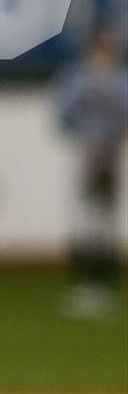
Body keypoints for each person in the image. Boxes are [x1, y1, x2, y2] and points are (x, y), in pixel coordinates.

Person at [56, 29, 127, 319]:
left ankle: (102, 281)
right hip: (83, 156)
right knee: (84, 218)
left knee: (106, 220)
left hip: (111, 157)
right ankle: (84, 282)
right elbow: (64, 116)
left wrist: (112, 143)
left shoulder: (120, 80)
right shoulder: (76, 79)